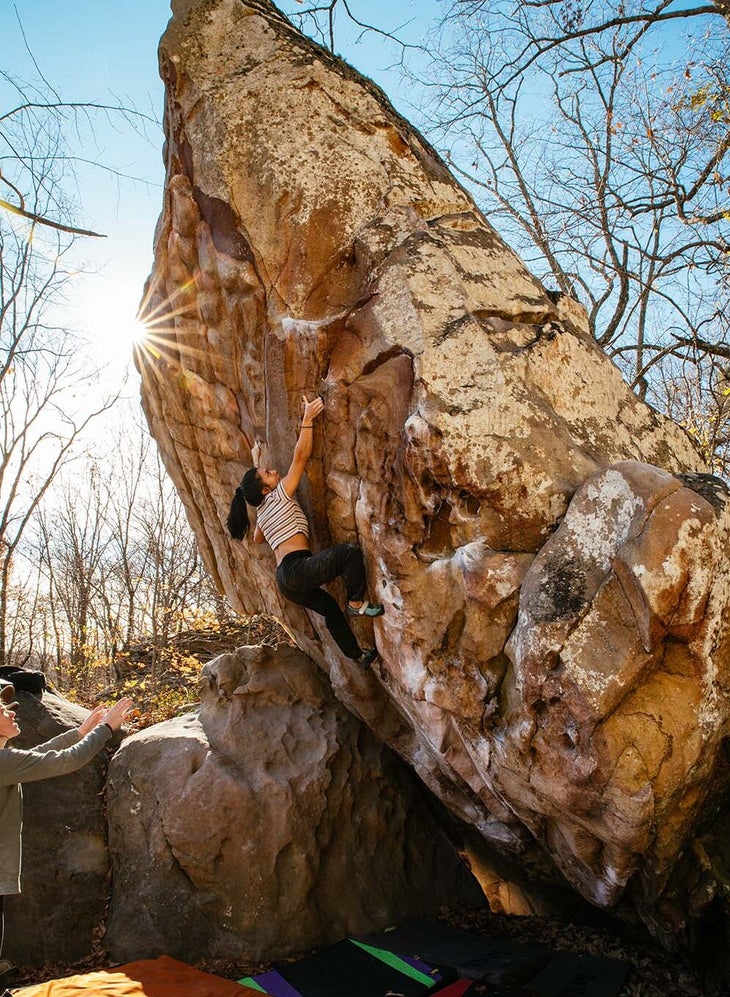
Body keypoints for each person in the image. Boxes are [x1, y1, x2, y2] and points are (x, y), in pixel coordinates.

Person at [227, 395, 383, 669]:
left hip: (285, 581)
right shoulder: (281, 494)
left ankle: (359, 656)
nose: (274, 471)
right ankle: (357, 601)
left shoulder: (262, 515)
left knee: (330, 609)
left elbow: (257, 538)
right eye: (268, 473)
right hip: (296, 568)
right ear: (266, 489)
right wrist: (308, 419)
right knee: (349, 554)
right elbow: (301, 456)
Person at [0, 681, 134, 977]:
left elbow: (39, 755)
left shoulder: (5, 762)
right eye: (2, 708)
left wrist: (79, 732)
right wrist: (106, 729)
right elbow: (66, 762)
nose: (12, 711)